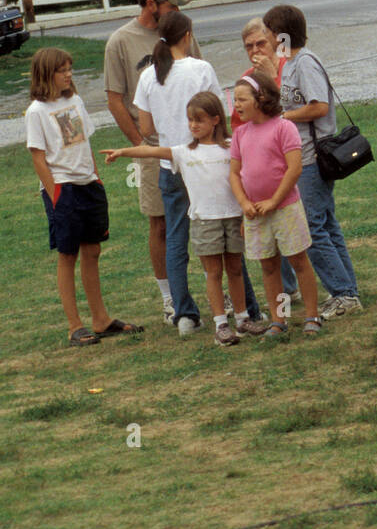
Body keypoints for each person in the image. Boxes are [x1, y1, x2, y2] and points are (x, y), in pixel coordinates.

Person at [101, 92, 269, 345]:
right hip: (204, 221)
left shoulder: (231, 146)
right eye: (190, 120)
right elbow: (152, 150)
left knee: (235, 269)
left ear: (215, 120)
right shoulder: (184, 152)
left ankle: (243, 319)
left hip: (233, 218)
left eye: (199, 120)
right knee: (213, 273)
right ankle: (221, 325)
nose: (193, 125)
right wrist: (123, 151)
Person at [25, 47, 143, 347]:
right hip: (62, 189)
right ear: (46, 74)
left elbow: (83, 141)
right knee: (68, 254)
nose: (68, 75)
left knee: (93, 251)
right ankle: (74, 325)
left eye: (70, 69)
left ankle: (100, 319)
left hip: (88, 184)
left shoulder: (75, 100)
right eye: (62, 70)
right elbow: (39, 158)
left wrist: (95, 177)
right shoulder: (36, 111)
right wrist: (55, 195)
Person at [103, 0, 202, 325]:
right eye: (171, 5)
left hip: (194, 146)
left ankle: (221, 293)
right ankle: (170, 299)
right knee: (161, 224)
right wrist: (141, 145)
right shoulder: (121, 41)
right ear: (150, 5)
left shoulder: (181, 33)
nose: (176, 12)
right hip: (153, 150)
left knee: (209, 216)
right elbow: (115, 100)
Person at [263, 5, 362, 320]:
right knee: (326, 225)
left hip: (311, 157)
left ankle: (343, 294)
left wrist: (284, 117)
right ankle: (347, 288)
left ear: (281, 34)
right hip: (304, 157)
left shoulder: (305, 63)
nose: (266, 37)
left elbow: (318, 107)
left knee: (313, 228)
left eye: (269, 32)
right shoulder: (290, 64)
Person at [133, 11, 224, 336]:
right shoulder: (200, 69)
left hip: (170, 163)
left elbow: (145, 127)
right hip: (203, 160)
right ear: (187, 35)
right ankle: (236, 304)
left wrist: (169, 129)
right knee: (221, 228)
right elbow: (219, 112)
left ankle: (184, 312)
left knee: (175, 236)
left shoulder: (148, 76)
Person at [229, 72, 321, 336]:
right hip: (256, 214)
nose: (236, 105)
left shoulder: (283, 127)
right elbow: (235, 173)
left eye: (242, 99)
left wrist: (274, 201)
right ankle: (279, 319)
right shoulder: (240, 134)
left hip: (285, 208)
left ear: (261, 98)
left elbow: (294, 169)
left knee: (298, 261)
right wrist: (244, 202)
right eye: (235, 99)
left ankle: (312, 316)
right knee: (269, 266)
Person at [233, 17, 299, 302]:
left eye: (260, 43)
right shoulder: (246, 79)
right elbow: (239, 123)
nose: (255, 50)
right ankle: (286, 292)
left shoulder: (287, 66)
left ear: (273, 41)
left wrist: (273, 75)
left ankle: (322, 292)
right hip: (258, 170)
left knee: (298, 232)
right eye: (249, 46)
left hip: (291, 162)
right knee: (267, 238)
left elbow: (287, 110)